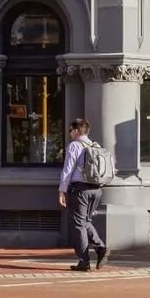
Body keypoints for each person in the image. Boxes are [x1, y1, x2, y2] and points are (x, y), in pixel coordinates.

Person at [58, 117, 108, 273]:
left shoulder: (74, 146)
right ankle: (100, 249)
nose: (70, 133)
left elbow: (68, 169)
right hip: (97, 189)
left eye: (71, 130)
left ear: (77, 131)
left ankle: (84, 261)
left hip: (81, 190)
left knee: (79, 224)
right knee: (85, 221)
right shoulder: (96, 146)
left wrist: (62, 190)